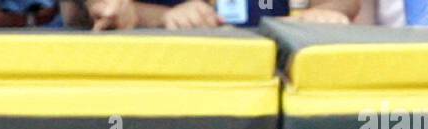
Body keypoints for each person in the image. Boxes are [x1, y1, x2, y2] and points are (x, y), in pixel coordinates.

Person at [62, 0, 358, 30]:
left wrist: (323, 15)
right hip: (165, 85)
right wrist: (166, 16)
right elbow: (80, 13)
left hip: (267, 83)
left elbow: (344, 3)